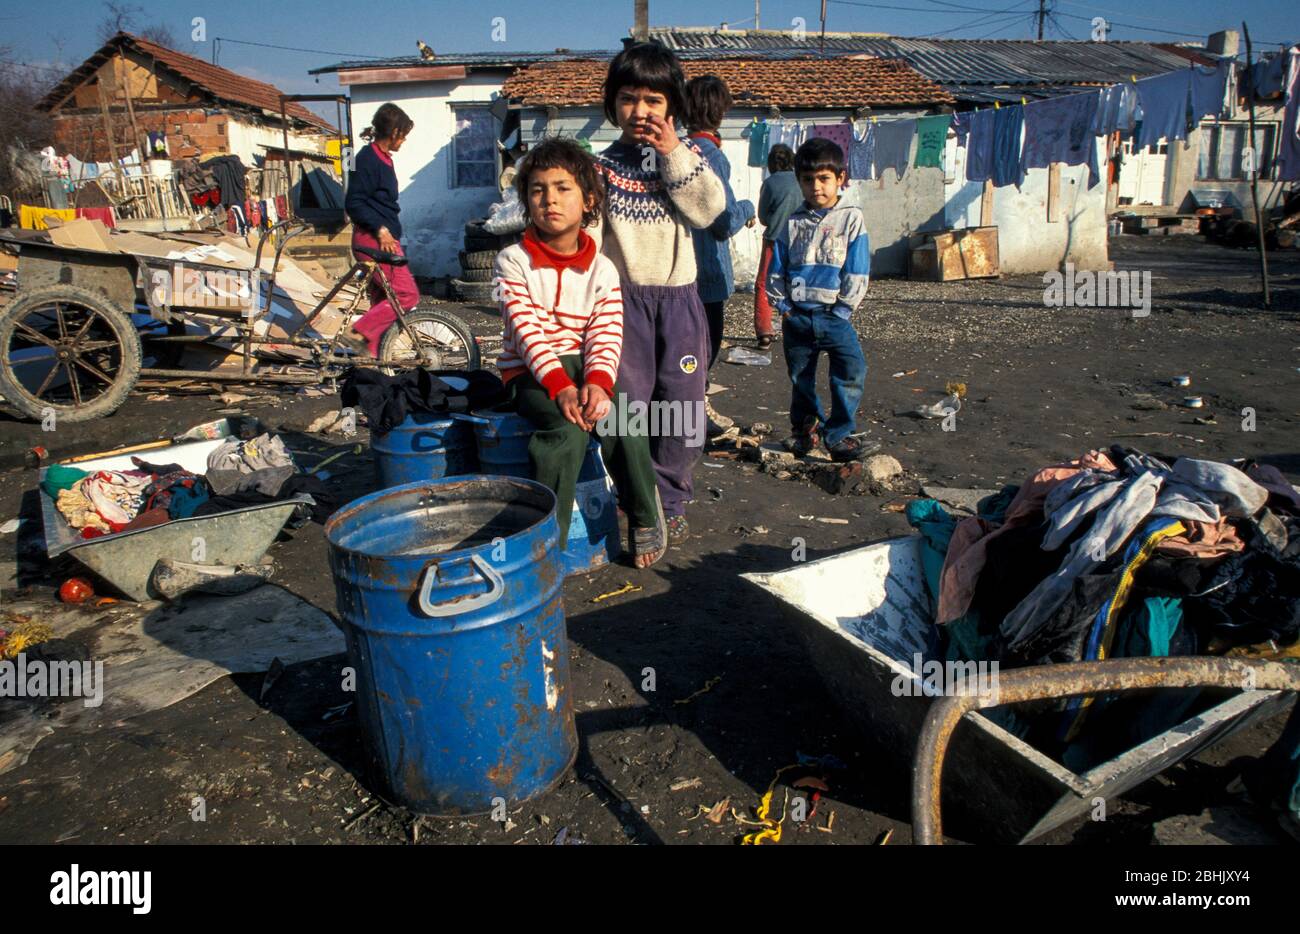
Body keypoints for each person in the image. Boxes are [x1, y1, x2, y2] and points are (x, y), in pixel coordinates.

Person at [494, 137, 667, 567]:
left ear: (588, 199)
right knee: (565, 432)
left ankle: (645, 515)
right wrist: (559, 388)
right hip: (530, 374)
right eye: (537, 190)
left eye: (562, 187)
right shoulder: (512, 260)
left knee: (623, 419)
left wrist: (598, 385)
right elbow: (524, 329)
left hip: (585, 371)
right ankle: (549, 538)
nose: (549, 199)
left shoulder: (603, 269)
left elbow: (606, 331)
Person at [594, 42, 726, 544]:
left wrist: (672, 152)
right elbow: (586, 238)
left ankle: (669, 499)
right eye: (629, 99)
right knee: (627, 404)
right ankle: (634, 496)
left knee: (683, 404)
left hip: (679, 301)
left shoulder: (687, 159)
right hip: (622, 304)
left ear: (673, 105)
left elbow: (714, 216)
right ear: (612, 105)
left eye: (654, 100)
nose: (641, 112)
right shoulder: (602, 168)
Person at [766, 136, 873, 463]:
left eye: (824, 179)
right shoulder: (792, 223)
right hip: (797, 316)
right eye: (808, 180)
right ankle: (805, 432)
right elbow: (777, 269)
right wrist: (783, 307)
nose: (817, 187)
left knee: (852, 369)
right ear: (799, 181)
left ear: (840, 178)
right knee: (801, 378)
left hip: (833, 316)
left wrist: (842, 309)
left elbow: (857, 269)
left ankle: (838, 434)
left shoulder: (851, 219)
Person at [683, 74, 756, 435]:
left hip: (679, 272)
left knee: (684, 349)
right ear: (720, 112)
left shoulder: (678, 151)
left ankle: (684, 415)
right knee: (704, 349)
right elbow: (723, 220)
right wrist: (748, 206)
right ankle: (694, 418)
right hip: (707, 269)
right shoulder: (711, 155)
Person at [342, 103, 418, 356]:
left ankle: (372, 358)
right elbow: (353, 202)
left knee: (381, 302)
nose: (404, 140)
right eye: (404, 134)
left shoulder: (382, 158)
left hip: (382, 238)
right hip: (374, 240)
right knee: (406, 295)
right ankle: (358, 332)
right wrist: (381, 230)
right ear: (394, 131)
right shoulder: (366, 159)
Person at [754, 143, 802, 350]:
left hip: (774, 239)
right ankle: (798, 327)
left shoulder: (770, 183)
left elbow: (763, 217)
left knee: (764, 284)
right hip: (799, 239)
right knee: (796, 283)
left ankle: (765, 333)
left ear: (771, 164)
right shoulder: (801, 181)